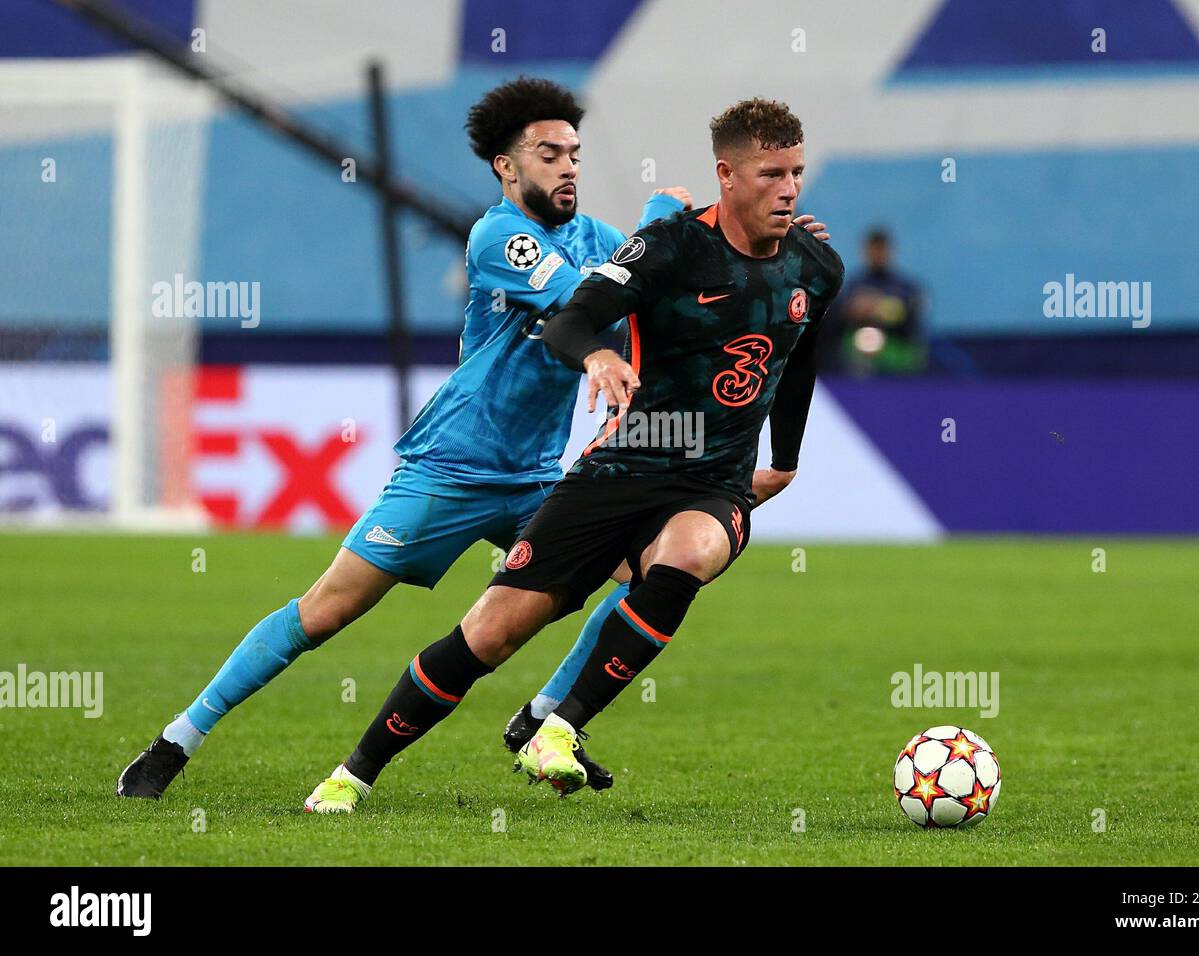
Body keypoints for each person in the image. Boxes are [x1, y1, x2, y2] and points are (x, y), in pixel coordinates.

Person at [115, 76, 693, 800]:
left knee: (651, 575)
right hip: (453, 467)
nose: (569, 166)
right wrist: (652, 232)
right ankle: (178, 739)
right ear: (506, 168)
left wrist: (749, 239)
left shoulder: (591, 236)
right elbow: (583, 303)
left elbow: (664, 284)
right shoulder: (497, 236)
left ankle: (543, 720)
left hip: (539, 475)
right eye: (549, 154)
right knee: (327, 610)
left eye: (574, 153)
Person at [302, 96, 843, 811]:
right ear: (728, 176)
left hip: (713, 480)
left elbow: (799, 356)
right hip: (623, 463)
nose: (790, 189)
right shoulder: (671, 248)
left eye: (797, 173)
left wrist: (788, 456)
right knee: (490, 634)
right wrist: (596, 358)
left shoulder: (816, 265)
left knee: (691, 554)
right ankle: (354, 774)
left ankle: (557, 726)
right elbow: (572, 318)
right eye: (772, 173)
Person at [820, 227, 926, 375]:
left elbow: (911, 320)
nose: (877, 255)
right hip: (855, 349)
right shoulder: (853, 284)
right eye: (873, 250)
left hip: (895, 346)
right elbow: (840, 316)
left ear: (889, 252)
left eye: (881, 250)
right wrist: (853, 311)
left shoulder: (905, 287)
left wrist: (880, 308)